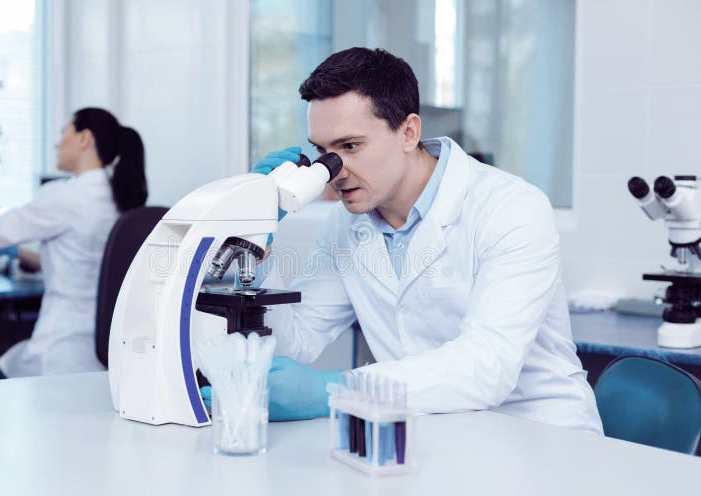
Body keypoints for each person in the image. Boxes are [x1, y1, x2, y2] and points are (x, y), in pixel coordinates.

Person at [204, 47, 602, 434]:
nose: (333, 170)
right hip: (440, 434)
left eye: (350, 146)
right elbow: (298, 341)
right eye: (322, 151)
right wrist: (252, 236)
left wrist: (338, 389)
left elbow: (488, 366)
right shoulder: (347, 225)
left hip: (540, 436)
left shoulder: (512, 208)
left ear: (408, 132)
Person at [0, 108, 148, 377]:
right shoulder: (117, 199)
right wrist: (17, 252)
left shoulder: (64, 197)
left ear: (83, 139)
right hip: (104, 351)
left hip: (60, 349)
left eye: (63, 132)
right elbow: (82, 264)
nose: (57, 143)